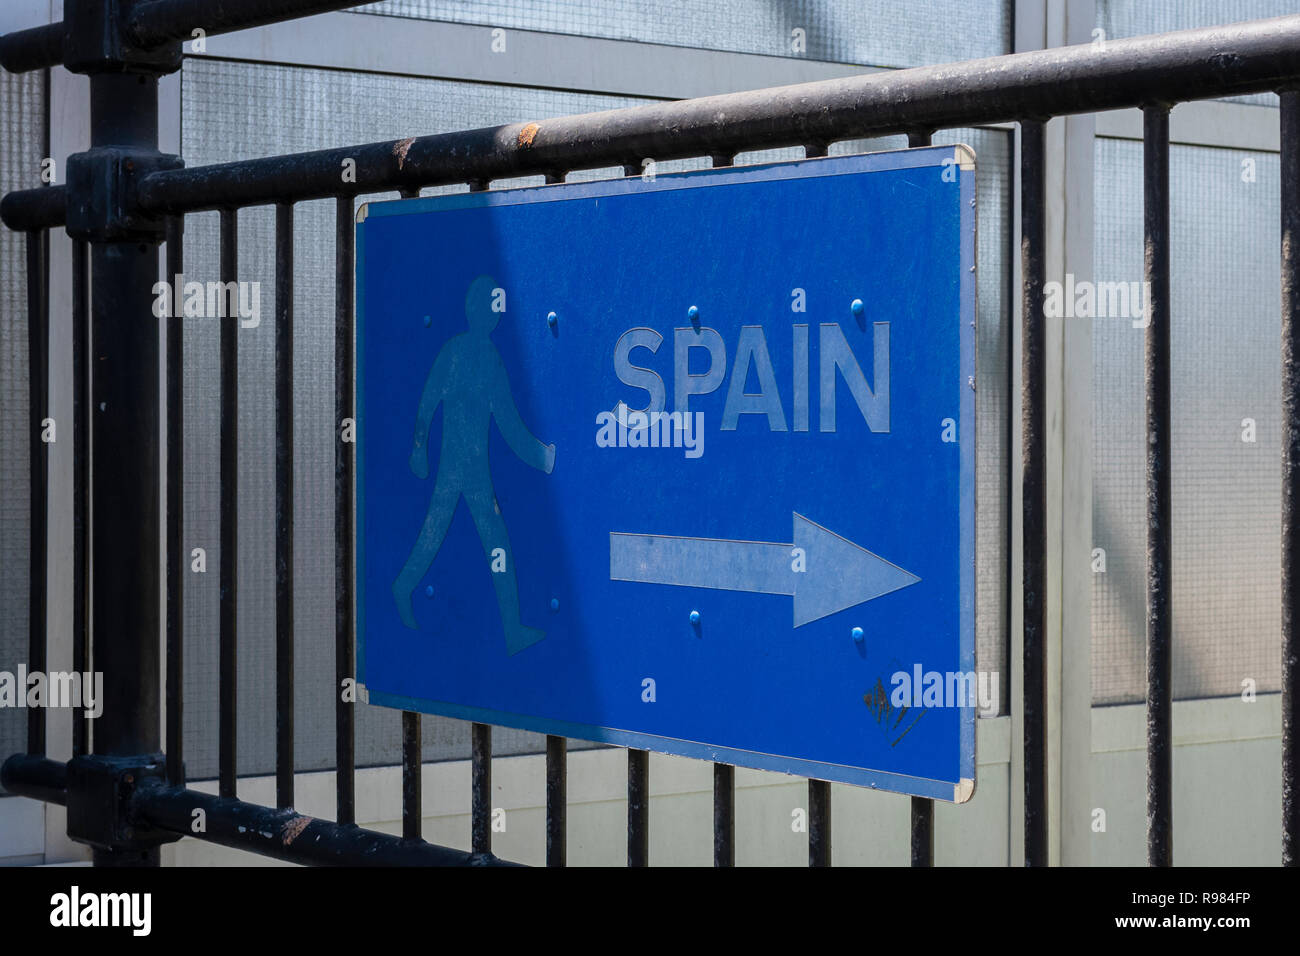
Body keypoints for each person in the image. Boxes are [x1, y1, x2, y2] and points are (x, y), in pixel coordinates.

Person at [393, 274, 556, 655]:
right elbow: (428, 402)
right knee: (441, 538)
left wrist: (541, 457)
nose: (497, 313)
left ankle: (511, 629)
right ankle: (404, 588)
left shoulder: (485, 357)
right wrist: (419, 451)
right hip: (458, 470)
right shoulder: (458, 353)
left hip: (473, 471)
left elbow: (508, 422)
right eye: (492, 305)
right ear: (479, 310)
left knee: (478, 540)